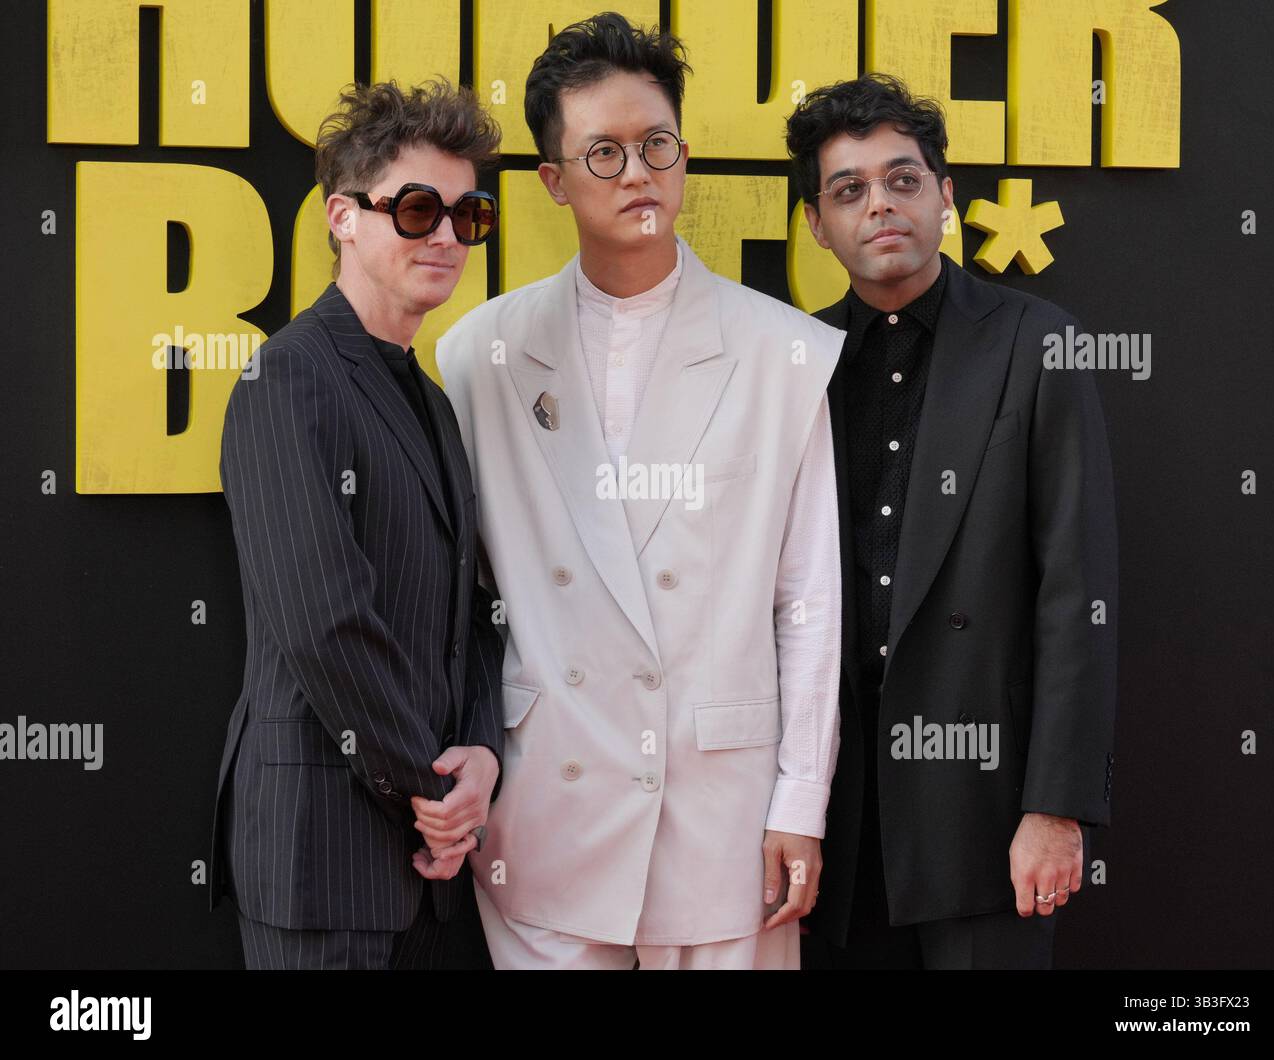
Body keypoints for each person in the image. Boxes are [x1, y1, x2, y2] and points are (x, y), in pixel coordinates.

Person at [436, 12, 843, 970]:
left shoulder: (781, 353)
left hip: (723, 813)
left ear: (685, 155)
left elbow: (809, 602)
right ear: (554, 179)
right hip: (549, 809)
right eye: (605, 153)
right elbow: (455, 595)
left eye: (656, 145)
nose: (638, 174)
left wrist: (799, 801)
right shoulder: (478, 355)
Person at [786, 73, 1118, 969]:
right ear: (817, 225)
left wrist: (1055, 809)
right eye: (848, 189)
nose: (880, 204)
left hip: (988, 819)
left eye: (903, 179)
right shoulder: (791, 363)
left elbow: (1075, 595)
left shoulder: (1038, 344)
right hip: (832, 826)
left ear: (946, 197)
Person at [208, 79, 506, 969]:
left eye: (468, 215)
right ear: (343, 216)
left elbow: (475, 610)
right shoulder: (288, 380)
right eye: (417, 210)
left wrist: (484, 759)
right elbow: (323, 622)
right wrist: (434, 798)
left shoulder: (436, 400)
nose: (447, 236)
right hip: (321, 852)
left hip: (428, 865)